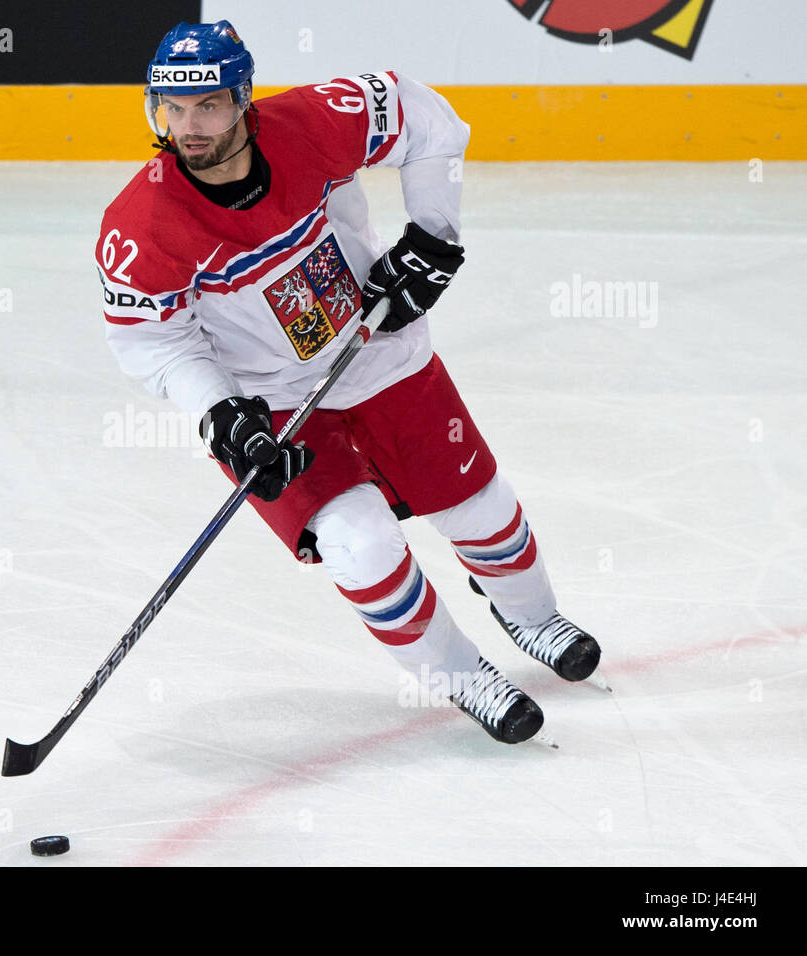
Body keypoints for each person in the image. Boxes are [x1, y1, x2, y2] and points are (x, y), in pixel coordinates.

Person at [95, 20, 602, 745]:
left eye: (206, 105)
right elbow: (150, 336)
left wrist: (435, 234)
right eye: (171, 109)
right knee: (360, 545)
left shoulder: (312, 124)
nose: (187, 127)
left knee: (479, 508)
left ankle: (534, 616)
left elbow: (429, 119)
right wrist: (222, 415)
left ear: (244, 100)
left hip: (378, 349)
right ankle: (464, 676)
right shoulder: (142, 223)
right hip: (268, 399)